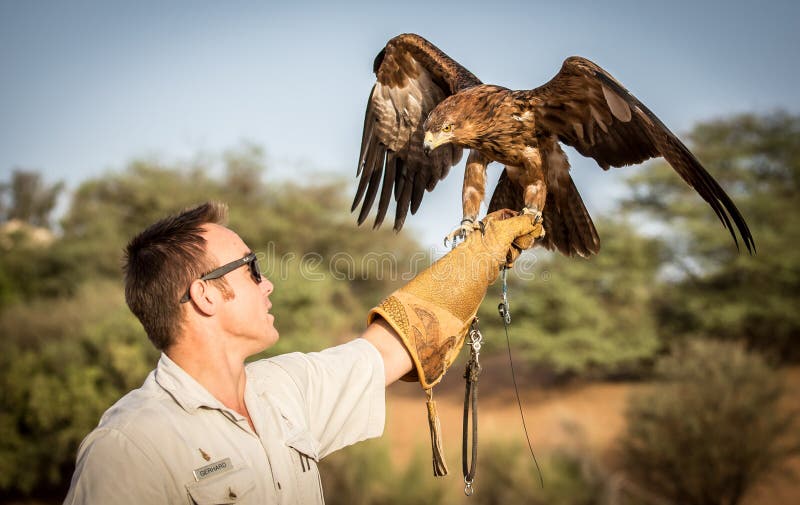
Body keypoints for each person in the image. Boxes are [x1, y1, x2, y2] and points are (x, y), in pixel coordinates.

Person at [63, 201, 542, 504]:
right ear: (205, 296)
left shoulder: (285, 388)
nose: (267, 284)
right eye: (250, 268)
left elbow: (397, 342)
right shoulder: (128, 448)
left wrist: (479, 256)